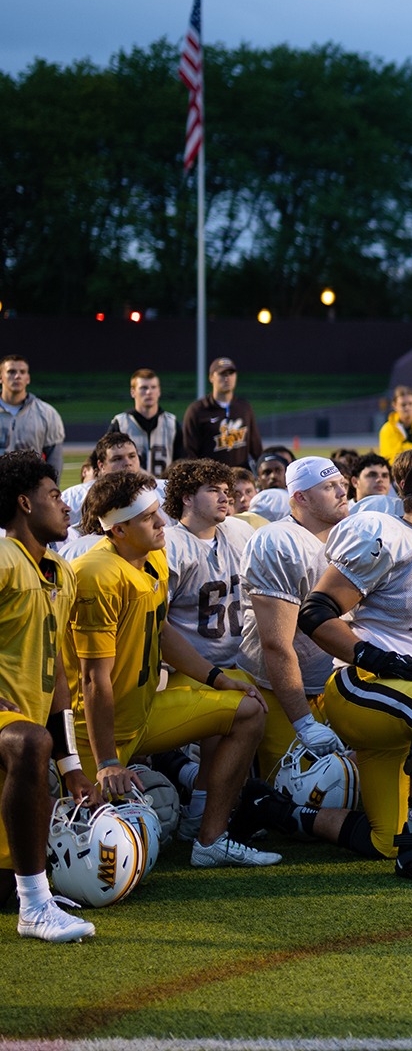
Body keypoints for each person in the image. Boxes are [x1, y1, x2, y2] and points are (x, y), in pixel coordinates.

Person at [66, 471, 278, 867]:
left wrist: (219, 679)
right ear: (120, 529)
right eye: (149, 518)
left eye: (158, 513)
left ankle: (209, 838)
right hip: (93, 733)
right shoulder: (97, 574)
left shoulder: (154, 558)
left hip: (143, 713)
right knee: (87, 854)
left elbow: (161, 630)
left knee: (247, 711)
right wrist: (109, 760)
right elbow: (94, 680)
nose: (162, 523)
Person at [298, 458, 412, 884]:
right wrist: (377, 658)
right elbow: (315, 613)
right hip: (361, 688)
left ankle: (279, 811)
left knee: (384, 840)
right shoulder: (386, 538)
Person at [0, 451, 95, 942]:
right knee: (30, 742)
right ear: (24, 503)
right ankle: (35, 909)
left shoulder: (61, 570)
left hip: (24, 734)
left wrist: (71, 763)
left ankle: (30, 893)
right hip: (12, 730)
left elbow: (58, 671)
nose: (65, 506)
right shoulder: (3, 557)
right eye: (55, 495)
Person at [237, 457, 352, 774]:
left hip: (332, 685)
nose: (343, 492)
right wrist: (302, 721)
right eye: (329, 487)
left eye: (342, 483)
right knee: (297, 790)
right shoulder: (279, 542)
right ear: (300, 497)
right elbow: (276, 643)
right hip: (277, 690)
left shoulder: (349, 534)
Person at [161, 460, 256, 680]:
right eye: (213, 490)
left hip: (245, 664)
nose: (224, 498)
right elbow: (159, 627)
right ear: (187, 498)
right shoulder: (170, 546)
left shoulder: (240, 531)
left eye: (225, 490)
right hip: (193, 673)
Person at [180, 357, 262, 469]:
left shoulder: (244, 408)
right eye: (222, 374)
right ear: (211, 377)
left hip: (239, 479)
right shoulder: (197, 410)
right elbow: (189, 452)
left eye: (231, 373)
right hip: (211, 480)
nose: (227, 378)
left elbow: (256, 448)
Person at [107, 368, 183, 476]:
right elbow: (106, 458)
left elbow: (181, 461)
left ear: (159, 391)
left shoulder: (171, 423)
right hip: (130, 488)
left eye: (153, 387)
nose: (149, 392)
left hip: (163, 489)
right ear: (133, 392)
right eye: (143, 388)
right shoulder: (121, 423)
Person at [0, 356, 64, 471]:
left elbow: (54, 462)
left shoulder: (47, 414)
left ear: (28, 378)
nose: (17, 376)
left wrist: (50, 488)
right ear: (1, 377)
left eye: (22, 372)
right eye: (11, 372)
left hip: (29, 486)